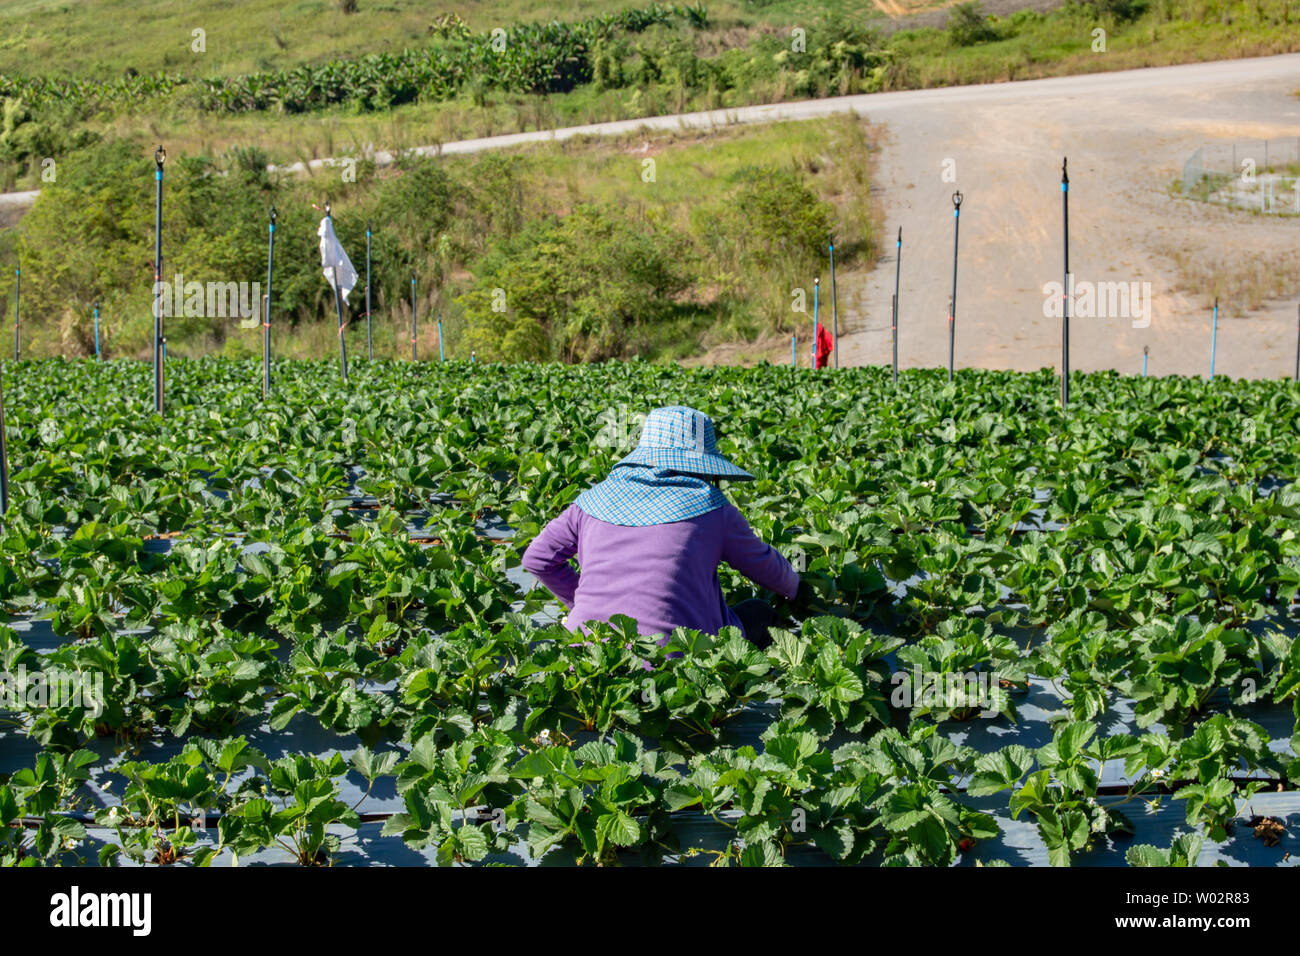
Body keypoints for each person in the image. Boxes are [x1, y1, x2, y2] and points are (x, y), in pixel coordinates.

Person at [521, 405, 799, 650]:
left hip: (588, 655)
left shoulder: (592, 499)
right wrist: (799, 587)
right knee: (759, 612)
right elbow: (775, 576)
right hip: (678, 662)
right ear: (704, 464)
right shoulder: (713, 508)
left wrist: (579, 603)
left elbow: (537, 559)